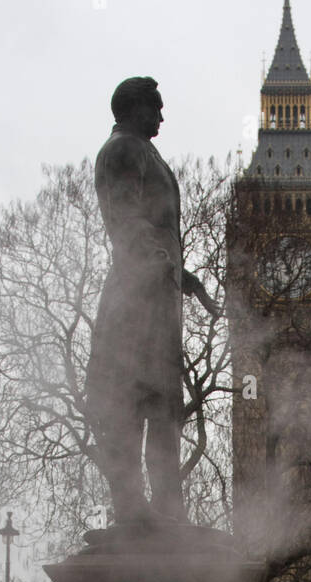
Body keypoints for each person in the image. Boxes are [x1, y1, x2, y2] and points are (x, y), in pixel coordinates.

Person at [85, 76, 220, 524]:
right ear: (134, 106)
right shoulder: (123, 150)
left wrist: (180, 279)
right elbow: (128, 225)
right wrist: (173, 271)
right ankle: (133, 510)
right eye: (156, 107)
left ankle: (165, 512)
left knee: (162, 403)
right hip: (136, 300)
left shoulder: (142, 150)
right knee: (133, 400)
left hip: (155, 298)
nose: (162, 117)